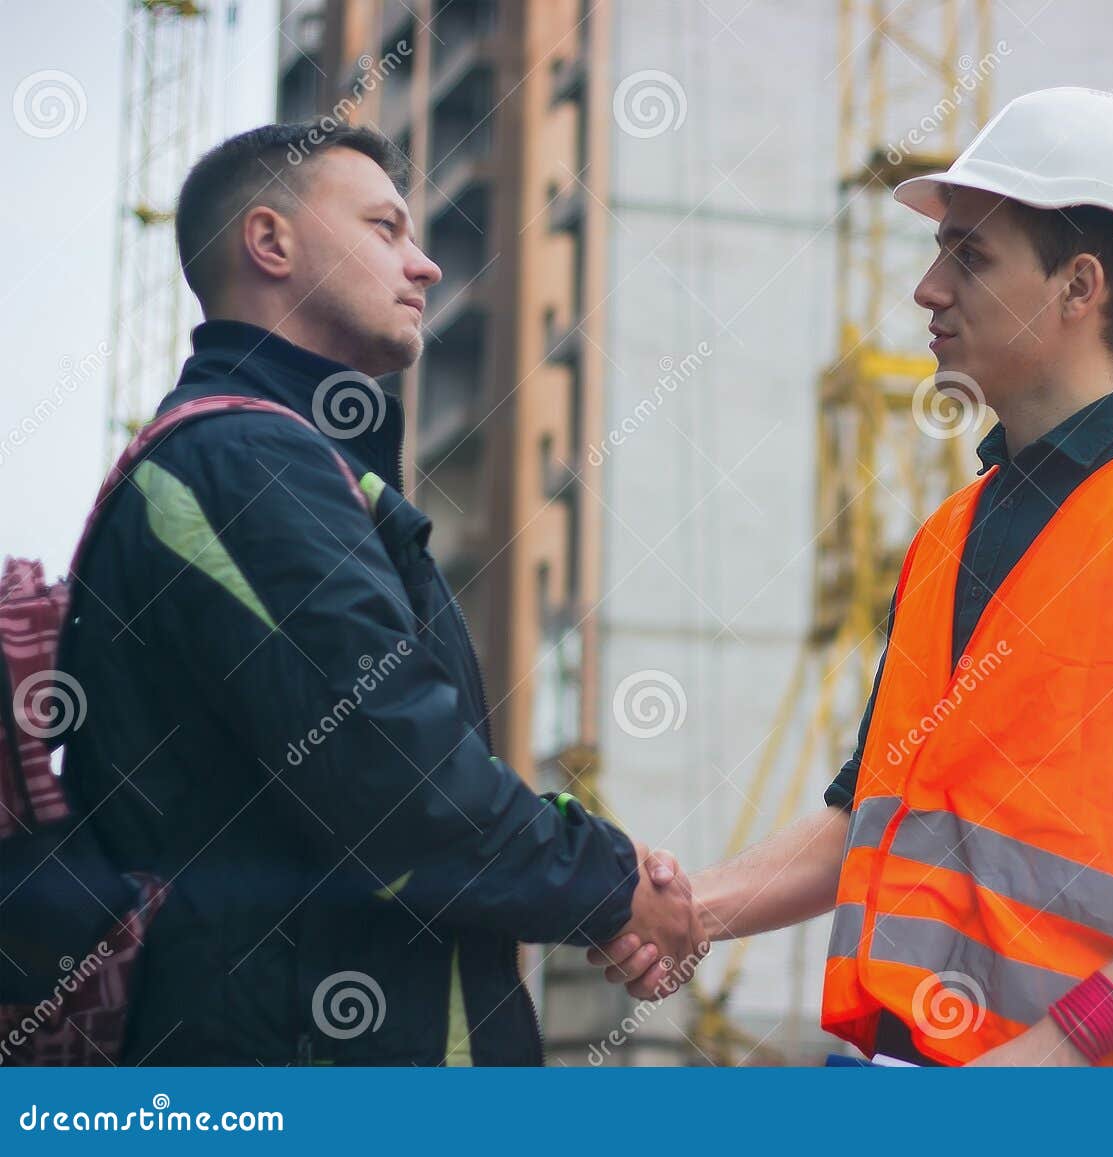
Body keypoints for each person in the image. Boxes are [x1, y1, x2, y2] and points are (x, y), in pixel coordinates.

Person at [588, 88, 1113, 1066]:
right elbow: (868, 810)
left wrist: (1065, 1045)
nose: (927, 289)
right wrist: (694, 909)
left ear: (1078, 287)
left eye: (969, 256)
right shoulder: (946, 538)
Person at [59, 123, 701, 1065]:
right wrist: (611, 886)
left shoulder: (279, 460)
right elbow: (399, 780)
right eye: (384, 228)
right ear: (270, 242)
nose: (425, 264)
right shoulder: (242, 463)